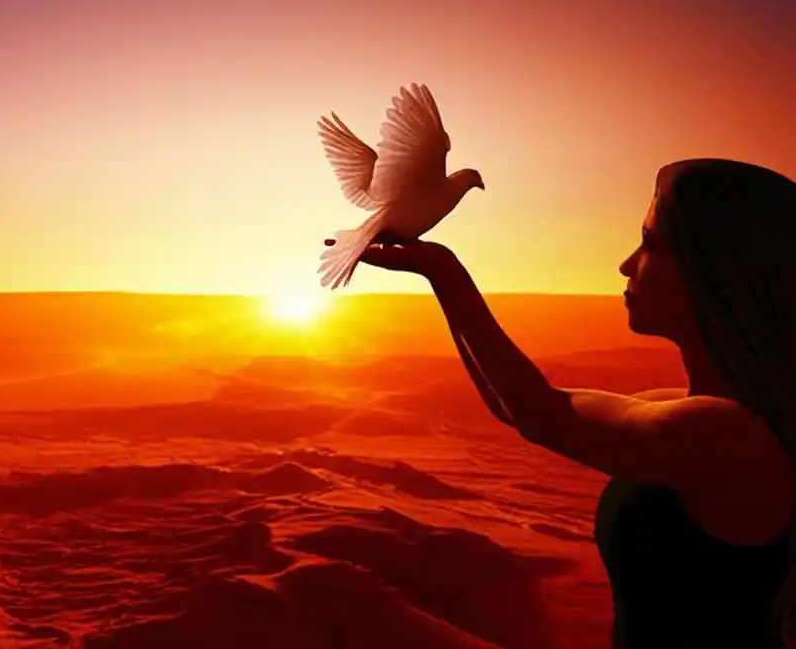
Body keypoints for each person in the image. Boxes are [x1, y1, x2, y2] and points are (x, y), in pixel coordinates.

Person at [335, 158, 796, 647]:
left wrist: (444, 272)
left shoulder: (722, 434)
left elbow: (540, 413)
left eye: (651, 244)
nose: (626, 264)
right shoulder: (696, 411)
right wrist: (439, 273)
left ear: (718, 274)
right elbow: (520, 408)